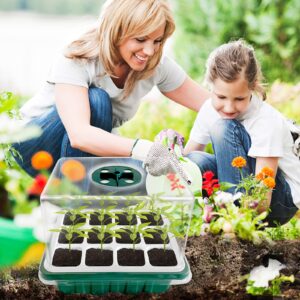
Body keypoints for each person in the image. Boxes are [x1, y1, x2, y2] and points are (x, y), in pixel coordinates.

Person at [12, 0, 209, 177]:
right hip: (27, 152)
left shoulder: (156, 66)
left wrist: (185, 148)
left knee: (141, 175)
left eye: (157, 41)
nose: (149, 51)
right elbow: (80, 135)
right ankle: (73, 203)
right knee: (97, 100)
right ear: (117, 32)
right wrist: (145, 149)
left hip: (74, 158)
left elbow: (213, 106)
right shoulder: (78, 58)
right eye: (140, 39)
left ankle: (78, 199)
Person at [184, 40, 300, 226]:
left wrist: (238, 213)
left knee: (223, 127)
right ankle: (213, 214)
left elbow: (263, 200)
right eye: (221, 97)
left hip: (278, 201)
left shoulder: (266, 121)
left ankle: (233, 221)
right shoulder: (209, 109)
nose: (229, 107)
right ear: (209, 86)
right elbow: (185, 160)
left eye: (239, 98)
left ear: (253, 87)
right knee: (194, 161)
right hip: (242, 186)